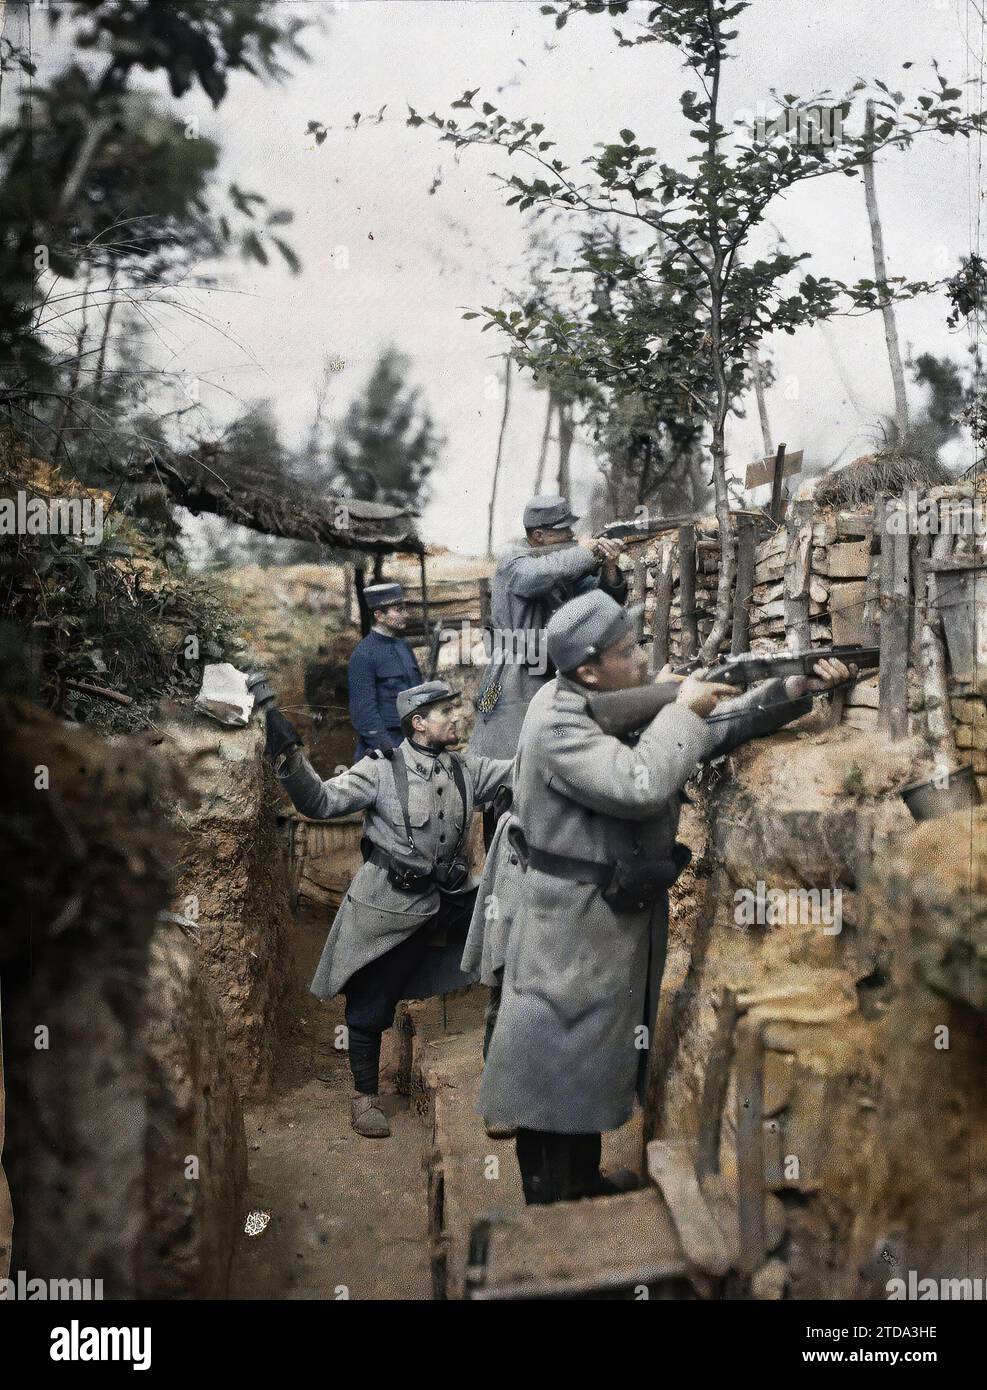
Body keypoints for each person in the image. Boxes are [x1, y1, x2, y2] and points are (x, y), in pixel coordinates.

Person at [477, 589, 850, 1204]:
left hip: (601, 916)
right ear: (590, 670)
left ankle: (579, 1183)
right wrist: (682, 709)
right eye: (629, 652)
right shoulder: (556, 719)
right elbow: (642, 782)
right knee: (552, 1064)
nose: (645, 661)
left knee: (587, 1060)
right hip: (566, 921)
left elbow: (709, 730)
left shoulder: (594, 698)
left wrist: (789, 692)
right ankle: (551, 1208)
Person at [264, 680, 512, 1138]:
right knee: (370, 999)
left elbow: (521, 771)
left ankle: (501, 1092)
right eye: (445, 712)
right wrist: (289, 759)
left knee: (507, 956)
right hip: (389, 906)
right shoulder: (379, 770)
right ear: (418, 723)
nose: (456, 719)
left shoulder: (466, 769)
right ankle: (364, 1097)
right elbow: (320, 801)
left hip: (450, 901)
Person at [469, 493, 627, 763]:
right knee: (500, 742)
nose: (570, 534)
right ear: (539, 536)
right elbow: (539, 576)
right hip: (511, 671)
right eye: (563, 530)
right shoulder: (514, 561)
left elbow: (597, 603)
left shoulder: (563, 565)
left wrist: (609, 568)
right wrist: (586, 552)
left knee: (549, 748)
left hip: (549, 668)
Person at [348, 580, 422, 757]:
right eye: (399, 610)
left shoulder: (404, 647)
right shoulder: (363, 655)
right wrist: (387, 749)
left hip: (413, 743)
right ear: (379, 615)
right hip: (383, 750)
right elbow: (363, 713)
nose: (406, 614)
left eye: (404, 608)